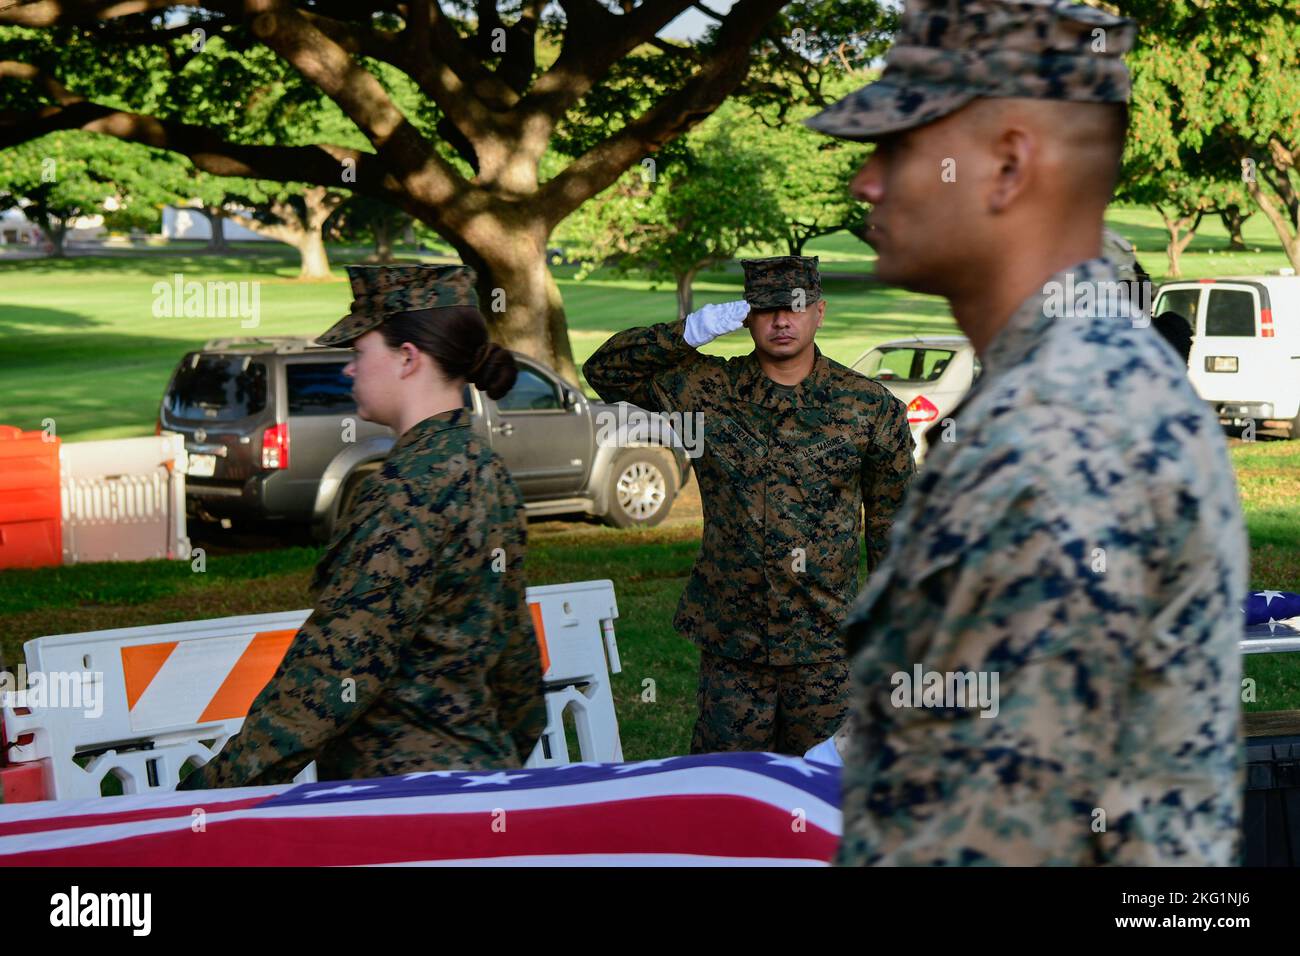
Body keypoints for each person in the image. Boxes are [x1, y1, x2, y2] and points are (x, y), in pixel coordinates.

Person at [805, 0, 1248, 864]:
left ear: (1007, 166)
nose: (866, 182)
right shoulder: (1075, 382)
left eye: (897, 145)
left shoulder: (1057, 432)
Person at [178, 264, 546, 789]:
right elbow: (519, 675)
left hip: (401, 803)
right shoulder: (487, 472)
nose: (348, 370)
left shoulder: (404, 492)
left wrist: (204, 797)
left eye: (358, 353)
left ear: (407, 358)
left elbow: (332, 672)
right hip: (479, 779)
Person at [584, 256, 914, 756]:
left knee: (828, 800)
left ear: (819, 312)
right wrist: (692, 330)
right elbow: (605, 370)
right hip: (734, 650)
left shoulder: (867, 406)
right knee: (725, 805)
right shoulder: (708, 390)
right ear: (746, 316)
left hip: (827, 650)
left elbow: (894, 529)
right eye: (766, 309)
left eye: (796, 307)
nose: (782, 320)